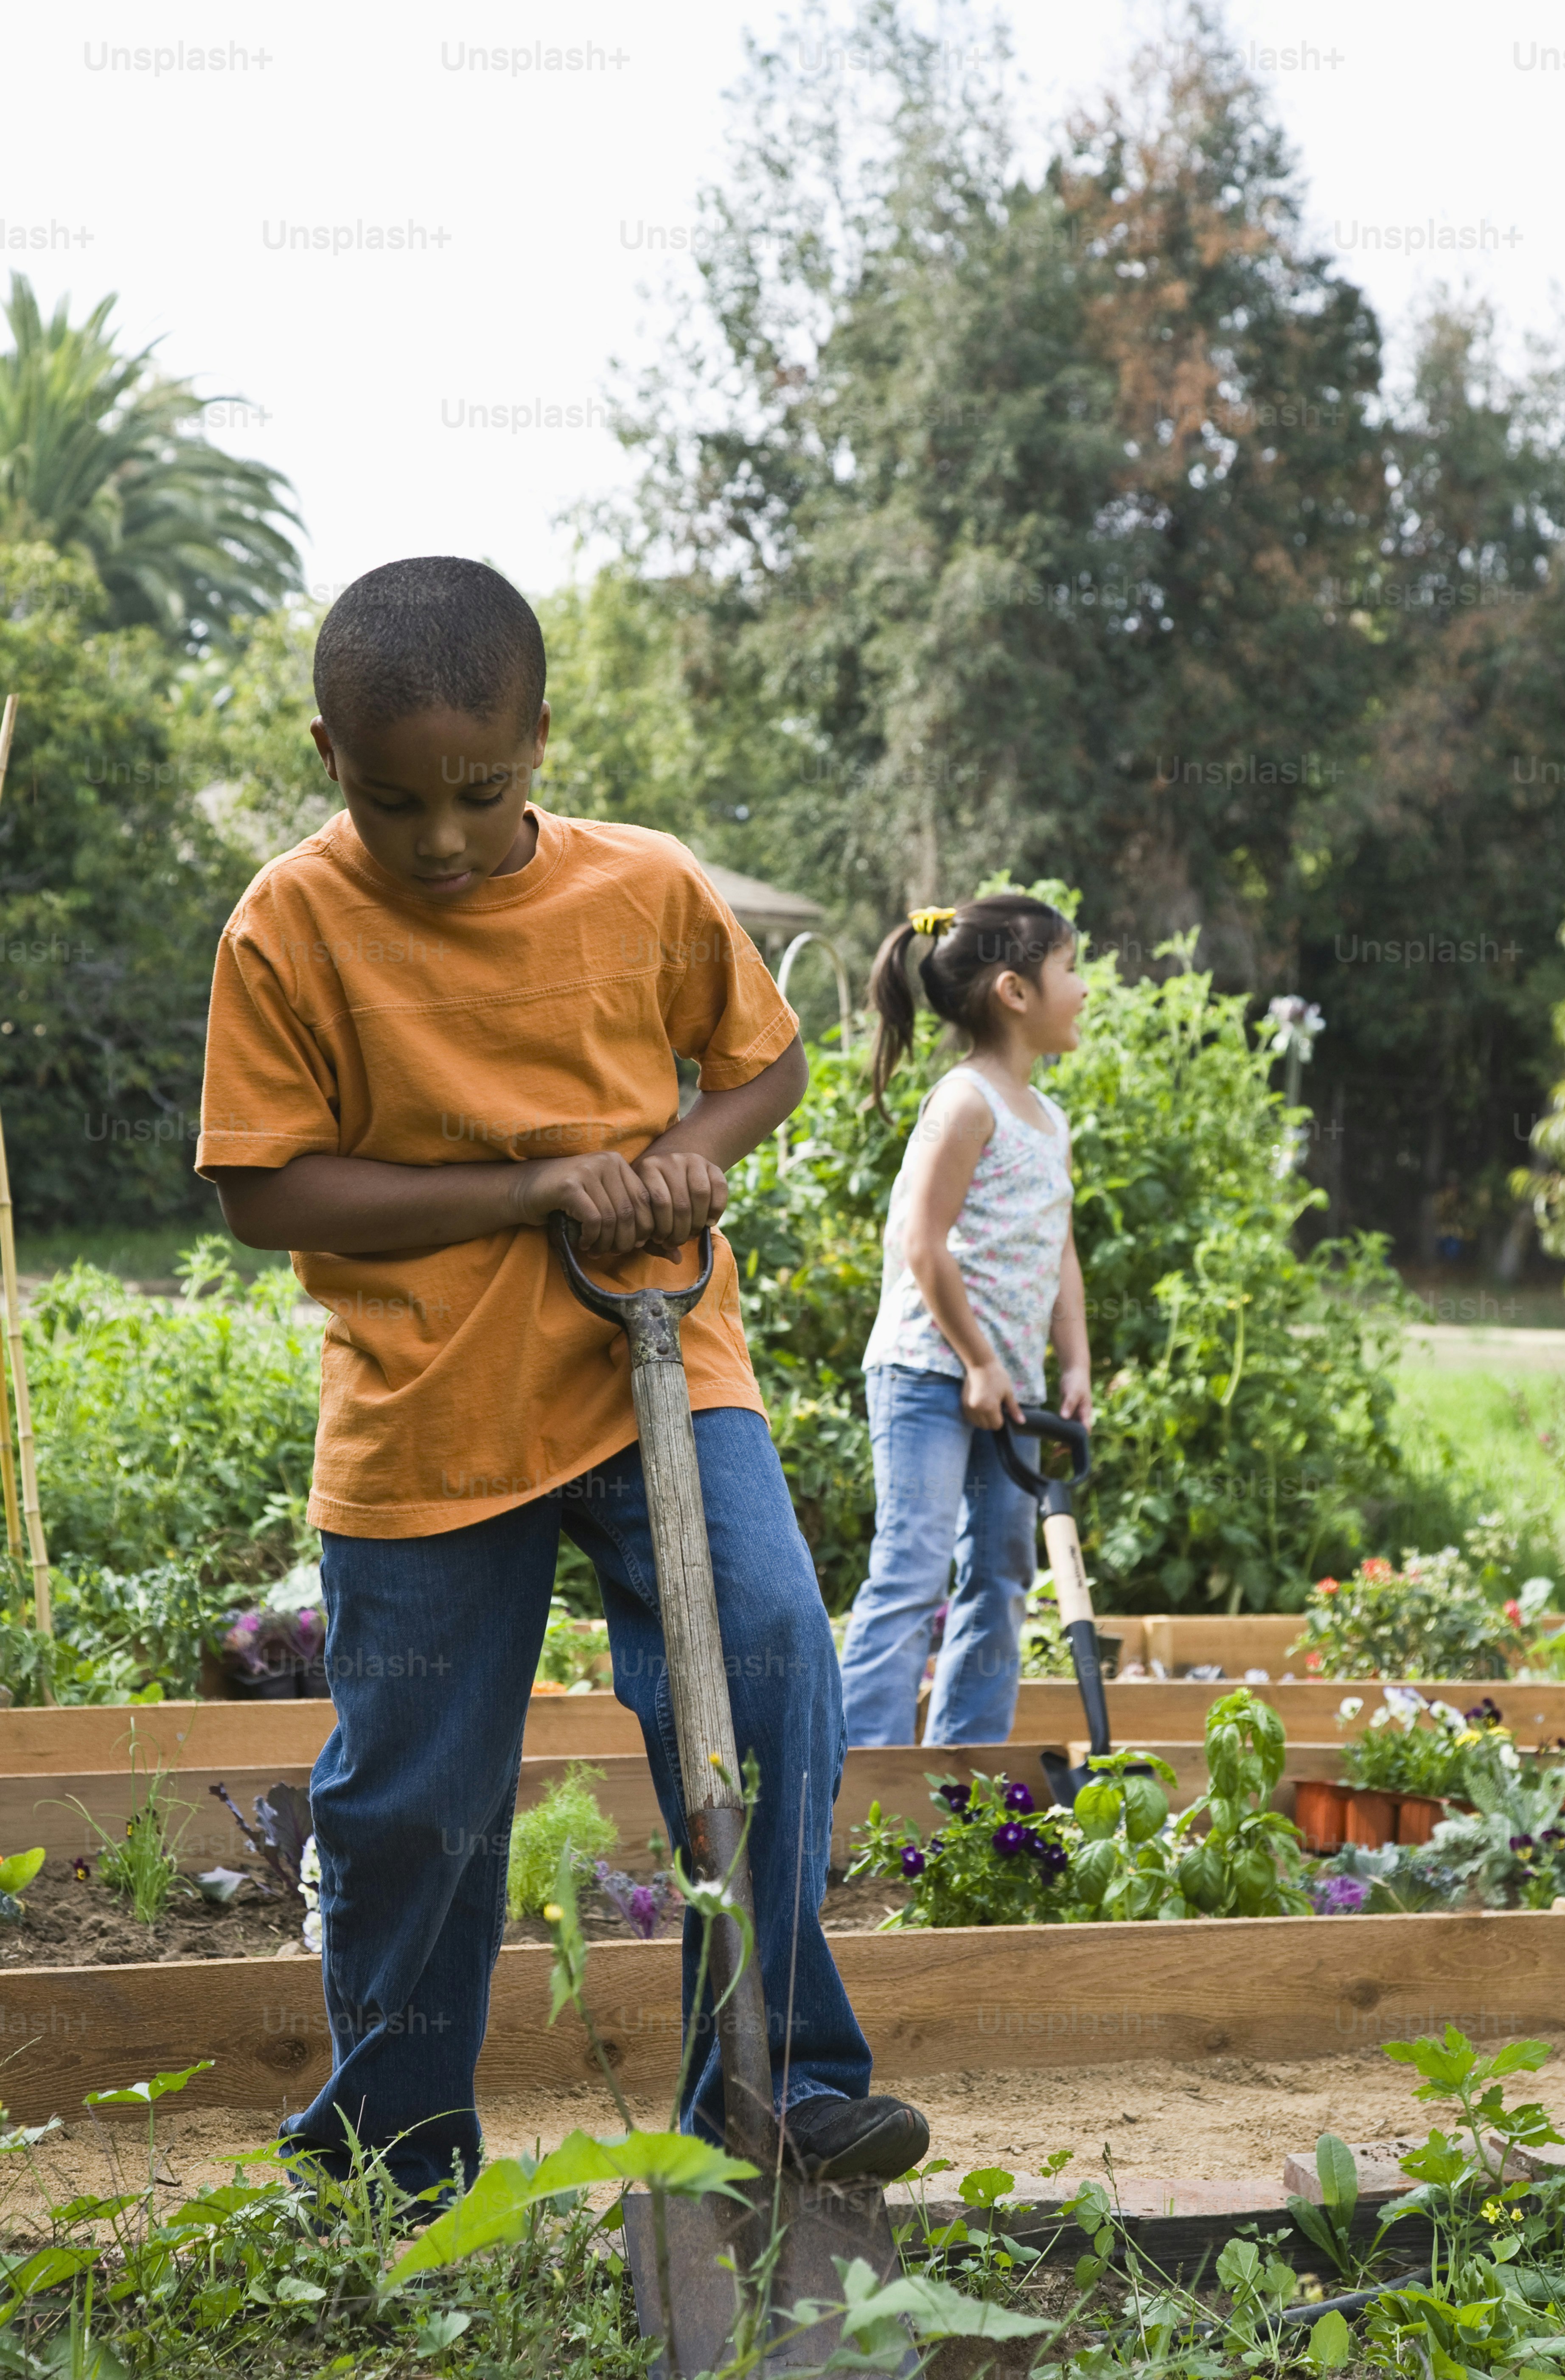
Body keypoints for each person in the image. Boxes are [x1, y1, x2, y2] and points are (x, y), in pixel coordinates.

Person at [196, 555, 928, 2198]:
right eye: (394, 802)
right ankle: (393, 2144)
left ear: (541, 737)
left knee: (765, 1663)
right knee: (409, 1797)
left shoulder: (644, 888)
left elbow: (764, 1062)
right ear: (329, 755)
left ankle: (780, 2088)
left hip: (652, 1357)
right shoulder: (291, 925)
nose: (442, 838)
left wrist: (684, 1158)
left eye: (482, 790)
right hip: (427, 1409)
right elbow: (264, 1189)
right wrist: (529, 1188)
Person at [839, 896, 1093, 1748]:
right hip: (928, 1370)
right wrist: (979, 1361)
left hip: (1006, 1388)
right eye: (1071, 970)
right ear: (1016, 992)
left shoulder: (1048, 1122)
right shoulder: (966, 1100)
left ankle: (961, 1777)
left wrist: (1075, 1366)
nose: (1084, 989)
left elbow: (1059, 1252)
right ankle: (857, 1786)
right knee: (910, 1574)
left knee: (1002, 1575)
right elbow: (921, 1242)